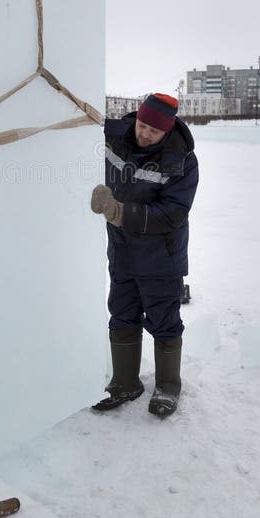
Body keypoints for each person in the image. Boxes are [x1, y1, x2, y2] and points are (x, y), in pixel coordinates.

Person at [90, 92, 199, 416]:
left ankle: (167, 386)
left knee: (164, 320)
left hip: (160, 256)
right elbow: (80, 131)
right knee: (121, 313)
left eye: (154, 131)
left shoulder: (182, 160)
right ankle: (125, 382)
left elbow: (173, 213)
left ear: (167, 130)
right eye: (142, 125)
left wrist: (120, 212)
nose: (145, 133)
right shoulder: (113, 137)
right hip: (122, 250)